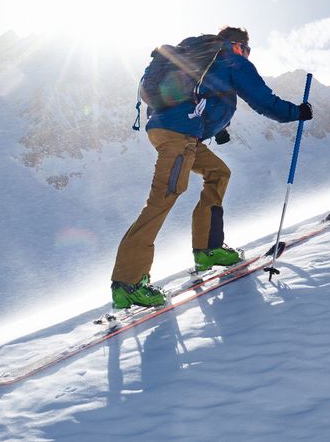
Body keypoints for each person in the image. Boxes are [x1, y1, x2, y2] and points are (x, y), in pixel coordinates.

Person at [110, 26, 313, 309]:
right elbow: (262, 101)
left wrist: (218, 128)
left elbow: (196, 95)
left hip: (177, 131)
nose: (247, 54)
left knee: (218, 172)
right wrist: (297, 112)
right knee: (163, 198)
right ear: (238, 44)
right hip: (179, 136)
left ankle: (208, 249)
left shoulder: (199, 56)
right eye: (247, 49)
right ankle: (128, 283)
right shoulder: (230, 58)